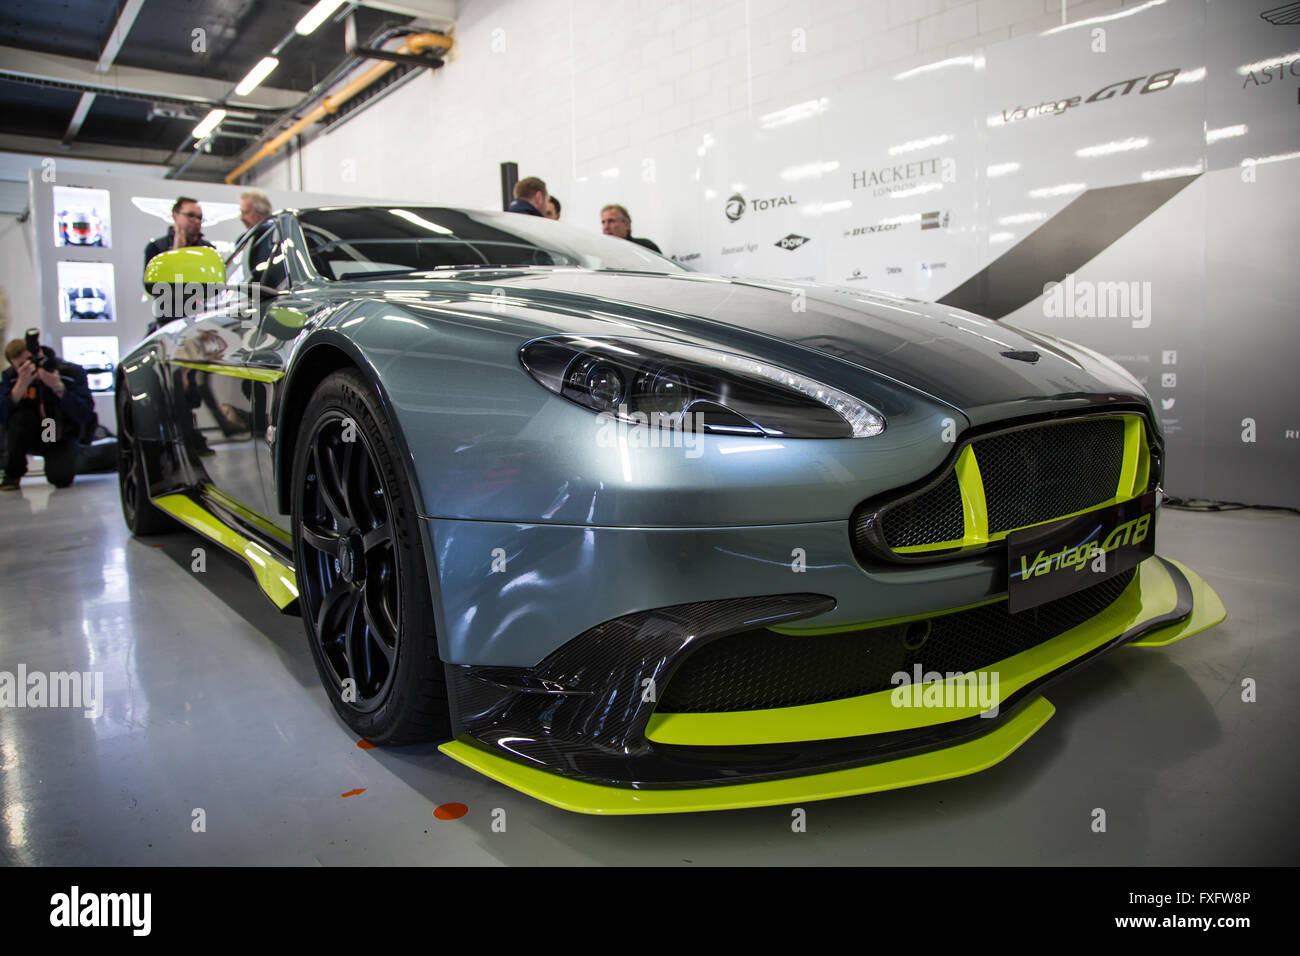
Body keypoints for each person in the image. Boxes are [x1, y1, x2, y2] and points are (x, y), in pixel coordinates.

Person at [1, 336, 94, 490]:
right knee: (18, 418)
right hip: (27, 432)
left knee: (61, 478)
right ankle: (13, 473)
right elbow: (2, 415)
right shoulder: (10, 378)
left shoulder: (69, 372)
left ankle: (73, 456)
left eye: (30, 360)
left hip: (57, 431)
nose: (29, 367)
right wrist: (18, 389)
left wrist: (58, 387)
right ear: (13, 367)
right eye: (21, 366)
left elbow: (85, 414)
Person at [143, 197, 214, 280]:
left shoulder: (209, 250)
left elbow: (213, 285)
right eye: (190, 215)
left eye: (199, 217)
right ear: (175, 215)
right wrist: (177, 252)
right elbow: (155, 285)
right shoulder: (156, 247)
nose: (197, 221)